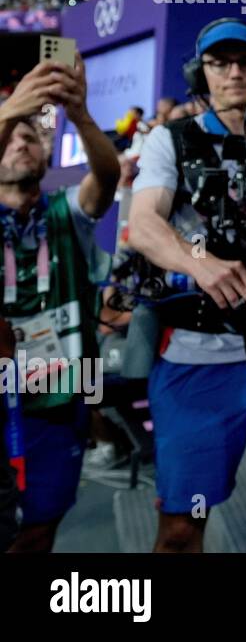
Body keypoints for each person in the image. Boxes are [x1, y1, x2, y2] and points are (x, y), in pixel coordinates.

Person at [127, 19, 246, 552]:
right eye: (219, 63)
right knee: (184, 527)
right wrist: (198, 261)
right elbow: (143, 224)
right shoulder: (172, 139)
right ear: (200, 73)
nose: (234, 73)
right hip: (197, 359)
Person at [0, 57, 118, 552]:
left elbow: (107, 177)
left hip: (59, 397)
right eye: (10, 138)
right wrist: (11, 110)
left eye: (31, 136)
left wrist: (81, 114)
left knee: (40, 528)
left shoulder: (65, 211)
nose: (21, 142)